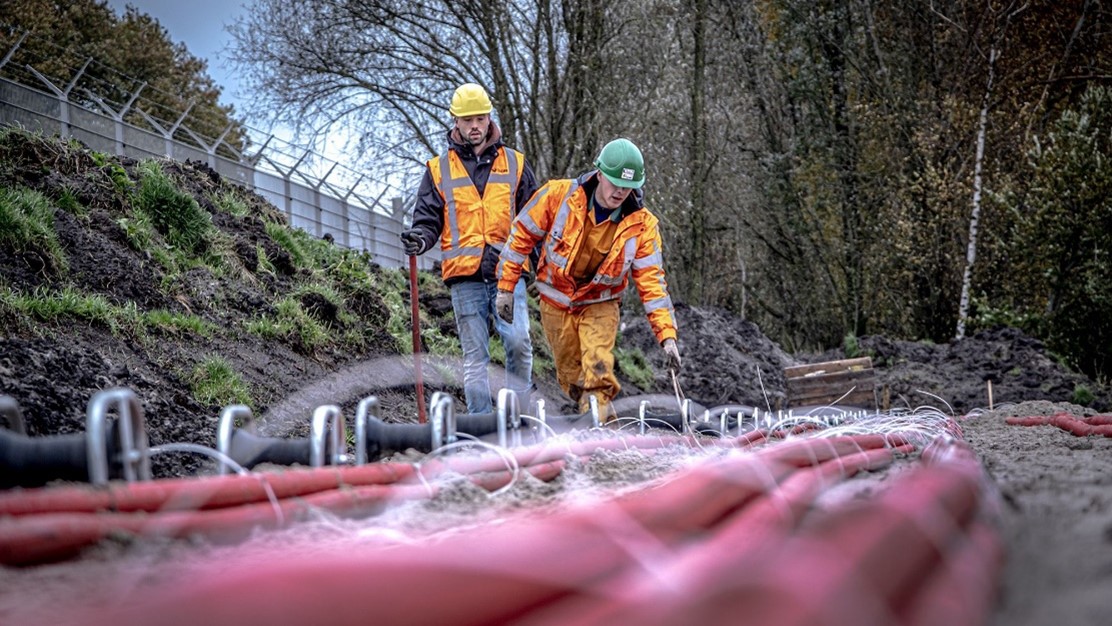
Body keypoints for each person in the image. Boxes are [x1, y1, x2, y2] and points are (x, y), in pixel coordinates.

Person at [494, 138, 680, 422]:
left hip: (600, 303)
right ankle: (604, 425)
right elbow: (521, 236)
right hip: (555, 301)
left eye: (627, 186)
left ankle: (598, 435)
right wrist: (506, 288)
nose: (620, 191)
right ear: (600, 174)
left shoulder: (643, 227)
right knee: (571, 378)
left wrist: (667, 337)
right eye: (615, 182)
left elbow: (653, 284)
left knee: (597, 368)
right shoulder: (558, 196)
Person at [400, 83, 538, 414]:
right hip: (465, 278)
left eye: (479, 118)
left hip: (507, 276)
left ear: (489, 118)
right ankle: (481, 429)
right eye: (466, 120)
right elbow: (428, 219)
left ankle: (520, 417)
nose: (474, 126)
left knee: (518, 343)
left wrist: (535, 265)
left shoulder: (516, 164)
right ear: (455, 122)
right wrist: (420, 238)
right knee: (475, 358)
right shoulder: (438, 169)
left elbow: (535, 219)